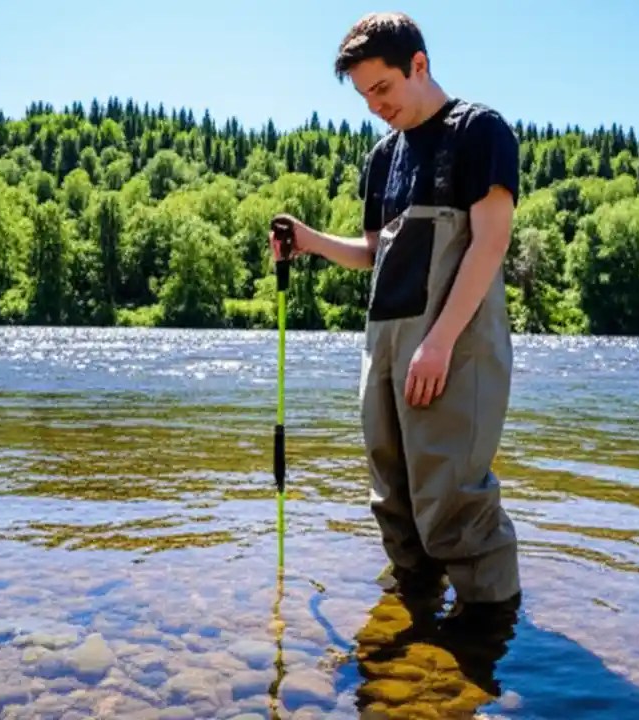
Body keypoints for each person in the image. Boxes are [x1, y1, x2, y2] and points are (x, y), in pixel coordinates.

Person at [270, 11, 522, 626]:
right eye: (363, 96)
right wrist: (310, 241)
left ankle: (489, 631)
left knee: (452, 493)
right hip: (383, 342)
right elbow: (375, 255)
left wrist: (438, 341)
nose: (375, 106)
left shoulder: (479, 131)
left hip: (453, 339)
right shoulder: (383, 157)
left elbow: (490, 242)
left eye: (382, 88)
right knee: (393, 492)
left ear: (419, 65)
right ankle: (413, 609)